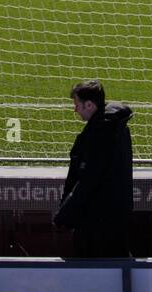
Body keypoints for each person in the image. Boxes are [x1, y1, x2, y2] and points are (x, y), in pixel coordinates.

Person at [54, 80, 134, 257]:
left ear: (89, 105)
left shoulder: (98, 136)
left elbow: (87, 181)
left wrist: (64, 215)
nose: (75, 110)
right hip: (116, 215)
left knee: (92, 269)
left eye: (77, 105)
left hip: (97, 221)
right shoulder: (117, 127)